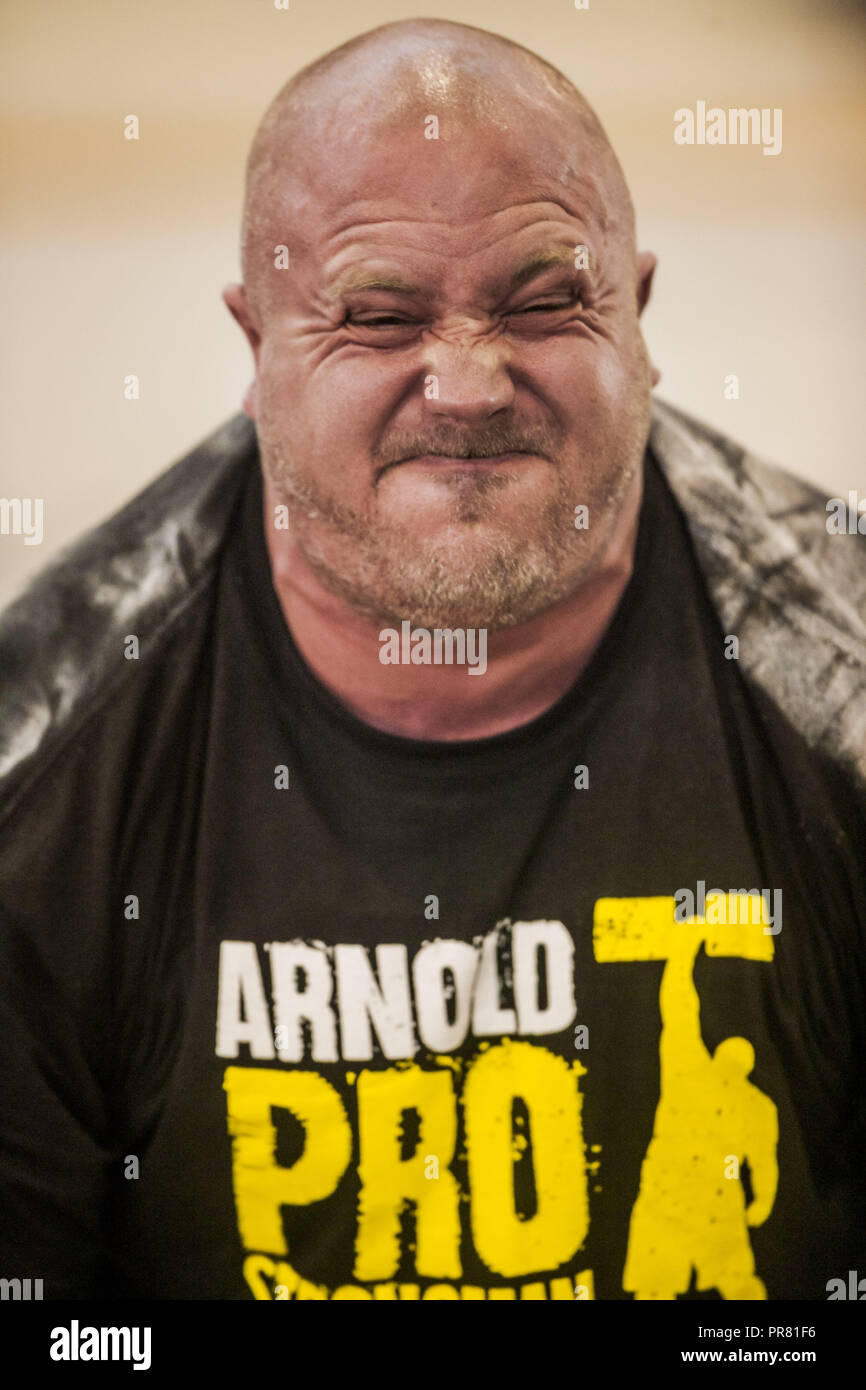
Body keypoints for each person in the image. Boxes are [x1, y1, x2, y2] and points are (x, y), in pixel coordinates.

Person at [0, 18, 863, 1303]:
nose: (465, 384)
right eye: (379, 316)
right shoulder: (42, 766)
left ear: (634, 313)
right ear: (257, 349)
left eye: (543, 299)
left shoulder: (834, 694)